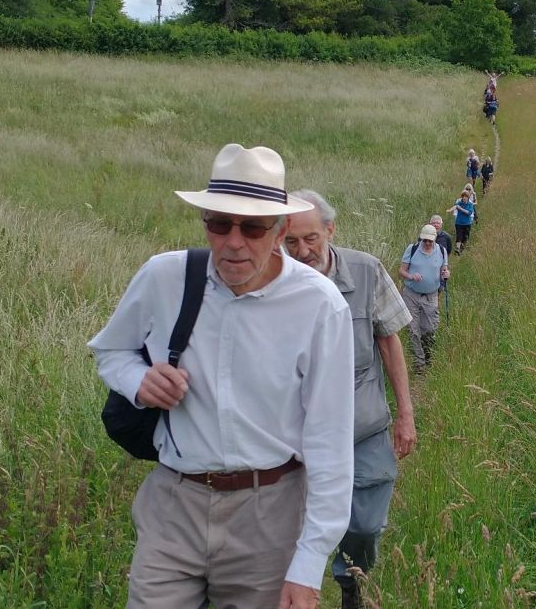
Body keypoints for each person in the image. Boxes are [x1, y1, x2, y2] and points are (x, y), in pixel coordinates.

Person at [89, 144, 355, 609]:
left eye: (252, 227)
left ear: (281, 230)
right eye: (218, 223)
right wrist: (139, 381)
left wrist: (309, 563)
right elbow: (111, 350)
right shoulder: (164, 277)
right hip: (175, 503)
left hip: (270, 512)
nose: (233, 242)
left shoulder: (319, 305)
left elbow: (330, 441)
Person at [284, 190, 418, 609]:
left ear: (330, 230)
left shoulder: (365, 270)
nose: (302, 251)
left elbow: (389, 342)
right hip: (296, 438)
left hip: (364, 430)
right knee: (288, 526)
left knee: (364, 524)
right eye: (291, 242)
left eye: (311, 239)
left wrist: (405, 415)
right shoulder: (272, 284)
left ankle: (350, 581)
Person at [399, 225, 449, 373]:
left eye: (430, 241)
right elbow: (401, 271)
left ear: (434, 239)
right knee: (413, 329)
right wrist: (411, 276)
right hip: (411, 294)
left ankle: (428, 354)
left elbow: (444, 271)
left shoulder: (441, 251)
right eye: (424, 240)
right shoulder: (412, 249)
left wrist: (446, 274)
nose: (427, 243)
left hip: (431, 296)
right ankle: (419, 363)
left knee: (429, 328)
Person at [447, 187, 476, 255]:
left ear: (468, 197)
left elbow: (469, 213)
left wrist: (461, 209)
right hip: (459, 223)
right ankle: (457, 249)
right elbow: (455, 206)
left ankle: (462, 248)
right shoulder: (459, 202)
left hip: (467, 223)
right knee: (459, 236)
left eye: (465, 196)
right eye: (463, 196)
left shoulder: (470, 204)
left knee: (465, 236)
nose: (464, 198)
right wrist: (450, 210)